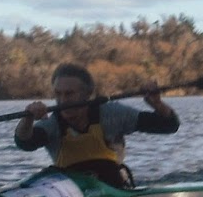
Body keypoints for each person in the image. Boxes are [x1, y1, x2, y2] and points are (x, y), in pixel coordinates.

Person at [14, 63, 179, 189]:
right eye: (58, 94)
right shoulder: (52, 124)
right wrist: (27, 119)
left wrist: (157, 104)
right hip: (69, 189)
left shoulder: (112, 114)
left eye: (70, 94)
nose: (63, 101)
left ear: (87, 94)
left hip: (112, 186)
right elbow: (25, 143)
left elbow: (168, 125)